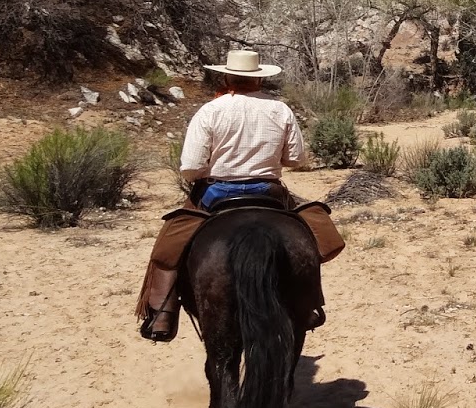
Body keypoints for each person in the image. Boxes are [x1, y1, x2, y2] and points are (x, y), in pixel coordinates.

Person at [135, 49, 344, 342]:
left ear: (226, 76)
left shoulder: (210, 111)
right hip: (268, 191)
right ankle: (308, 303)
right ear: (259, 80)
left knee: (170, 241)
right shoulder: (280, 110)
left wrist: (205, 174)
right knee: (309, 232)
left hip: (216, 193)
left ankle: (161, 315)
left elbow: (191, 167)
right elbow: (295, 159)